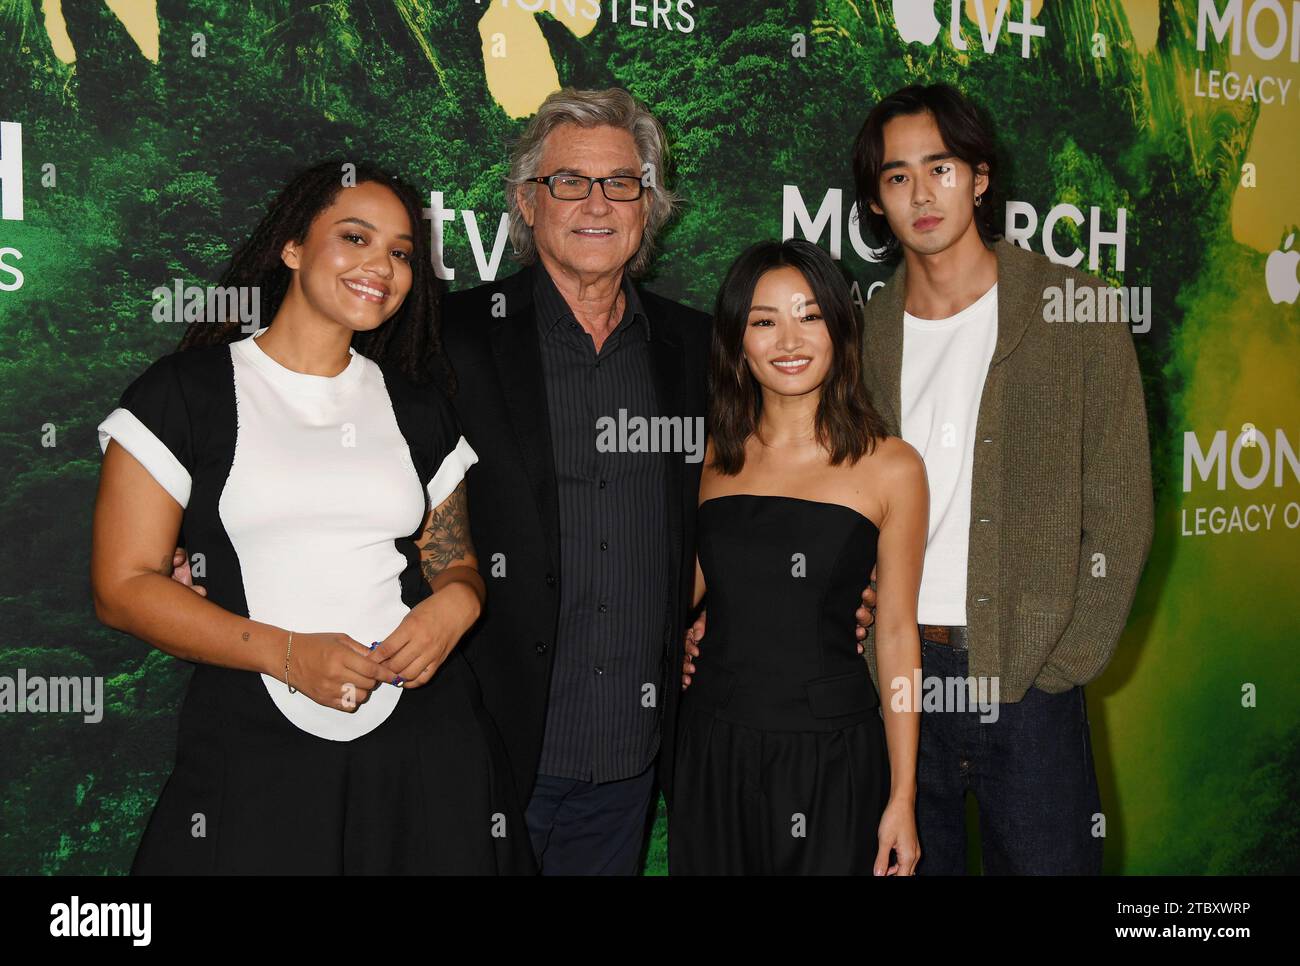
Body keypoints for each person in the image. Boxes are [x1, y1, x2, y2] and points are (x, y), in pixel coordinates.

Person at [91, 160, 534, 874]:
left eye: (399, 253)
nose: (381, 267)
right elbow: (122, 587)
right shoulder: (183, 395)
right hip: (259, 754)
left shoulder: (418, 406)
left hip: (430, 746)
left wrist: (457, 603)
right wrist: (289, 654)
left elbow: (452, 558)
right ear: (292, 247)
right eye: (354, 238)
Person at [852, 83, 1154, 874]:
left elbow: (1122, 513)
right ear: (876, 201)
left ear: (980, 178)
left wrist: (1061, 663)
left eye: (941, 167)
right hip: (901, 683)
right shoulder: (862, 338)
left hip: (1028, 683)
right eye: (896, 176)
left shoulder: (1077, 310)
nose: (921, 193)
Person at [438, 87, 712, 874]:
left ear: (648, 204)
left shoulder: (694, 350)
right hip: (483, 749)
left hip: (627, 760)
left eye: (622, 182)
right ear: (528, 201)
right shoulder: (450, 338)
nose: (597, 203)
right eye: (569, 182)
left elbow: (752, 502)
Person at [668, 238, 925, 875]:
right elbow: (677, 593)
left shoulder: (892, 465)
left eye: (809, 315)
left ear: (840, 326)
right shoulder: (705, 458)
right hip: (713, 746)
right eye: (764, 321)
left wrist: (902, 795)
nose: (790, 340)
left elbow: (894, 633)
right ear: (737, 339)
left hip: (833, 756)